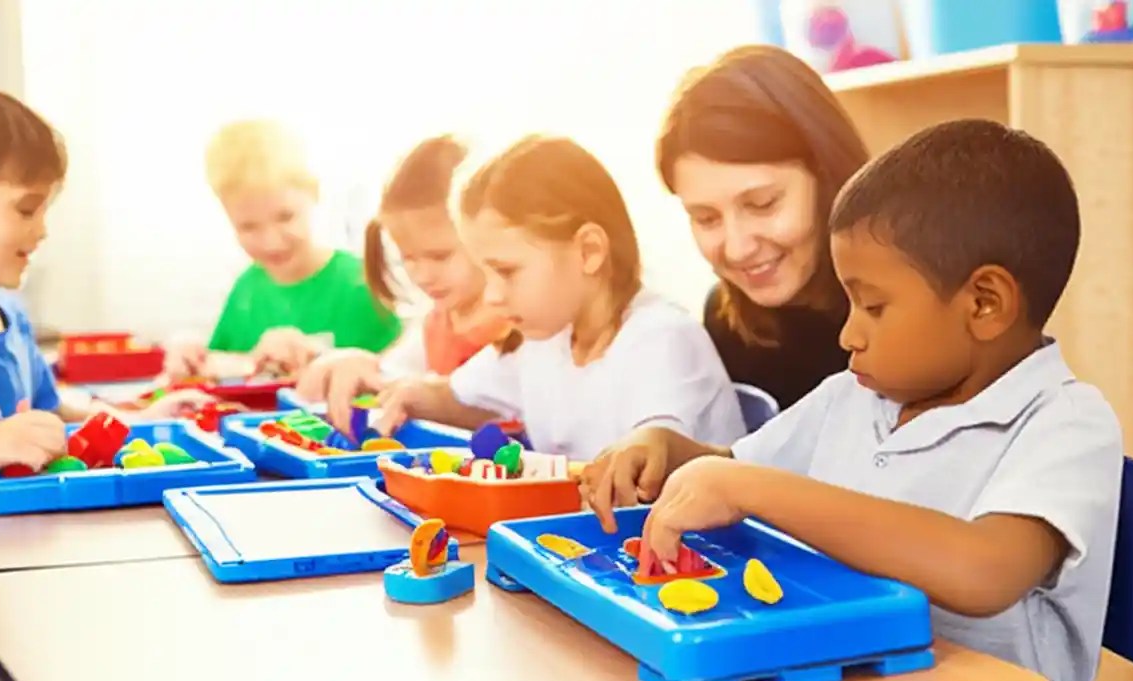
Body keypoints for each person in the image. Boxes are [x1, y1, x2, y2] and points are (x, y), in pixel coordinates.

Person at [588, 119, 1121, 681]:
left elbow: (984, 572)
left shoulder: (1066, 422)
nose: (848, 334)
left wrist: (749, 487)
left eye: (873, 306)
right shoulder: (854, 396)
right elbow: (733, 471)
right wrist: (662, 447)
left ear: (984, 303)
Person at [0, 85, 204, 679]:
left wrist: (143, 415)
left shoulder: (10, 317)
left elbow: (50, 410)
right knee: (75, 659)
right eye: (28, 209)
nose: (44, 230)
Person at [373, 135, 743, 461]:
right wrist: (413, 394)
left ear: (589, 251)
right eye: (486, 274)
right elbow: (461, 398)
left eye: (506, 272)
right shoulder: (544, 339)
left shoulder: (662, 341)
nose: (493, 296)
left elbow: (645, 477)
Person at [658, 45, 869, 408]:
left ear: (827, 177)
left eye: (762, 204)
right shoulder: (726, 322)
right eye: (706, 218)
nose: (738, 248)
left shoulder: (915, 309)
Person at [294, 135, 509, 433]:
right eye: (408, 257)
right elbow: (393, 373)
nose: (422, 276)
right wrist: (353, 362)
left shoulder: (516, 325)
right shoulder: (437, 321)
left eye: (439, 256)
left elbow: (502, 403)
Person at [163, 119, 402, 379]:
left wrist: (314, 358)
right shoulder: (246, 288)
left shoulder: (362, 283)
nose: (271, 242)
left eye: (286, 217)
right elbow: (221, 373)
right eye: (248, 227)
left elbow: (394, 377)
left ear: (314, 192)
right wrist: (194, 358)